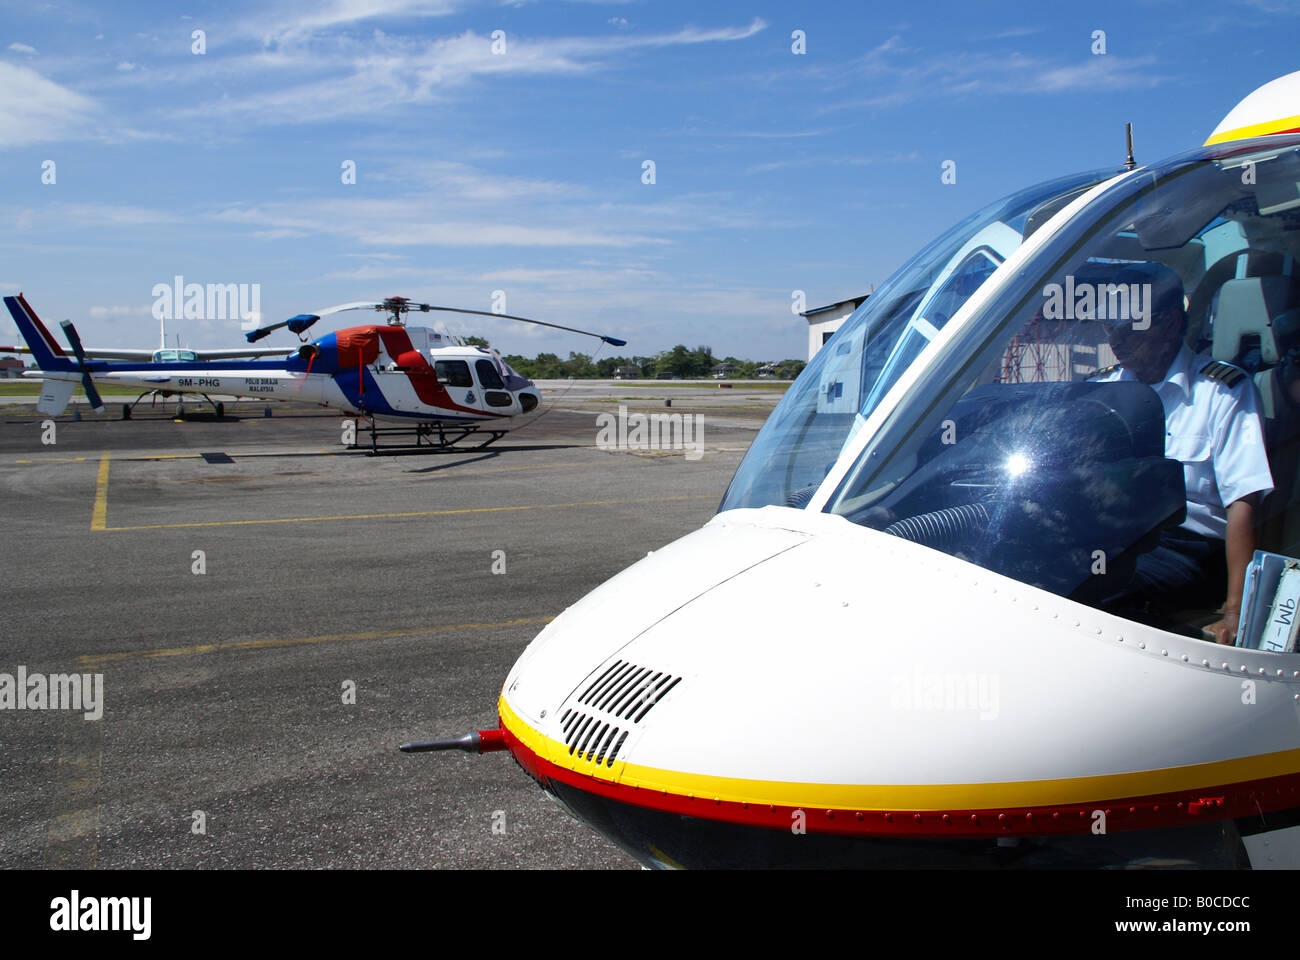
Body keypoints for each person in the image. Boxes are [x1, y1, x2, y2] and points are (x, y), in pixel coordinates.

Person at [1091, 262, 1273, 644]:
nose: (1116, 341)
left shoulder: (1223, 392)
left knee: (1093, 590)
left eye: (1129, 327)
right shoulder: (1102, 391)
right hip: (1115, 536)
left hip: (1190, 547)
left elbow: (1244, 500)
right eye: (1110, 328)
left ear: (1172, 324)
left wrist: (1235, 612)